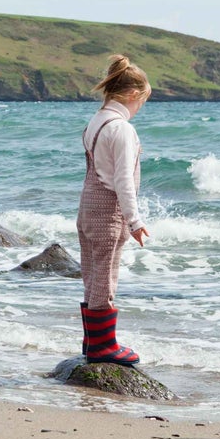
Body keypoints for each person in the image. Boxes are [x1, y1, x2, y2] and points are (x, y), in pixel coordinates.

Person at [77, 54, 151, 366]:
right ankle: (103, 347)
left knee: (92, 275)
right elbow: (123, 181)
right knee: (106, 277)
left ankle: (91, 341)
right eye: (142, 102)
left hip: (86, 207)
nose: (140, 109)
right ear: (133, 95)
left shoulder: (96, 121)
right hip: (108, 211)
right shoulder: (121, 129)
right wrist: (134, 221)